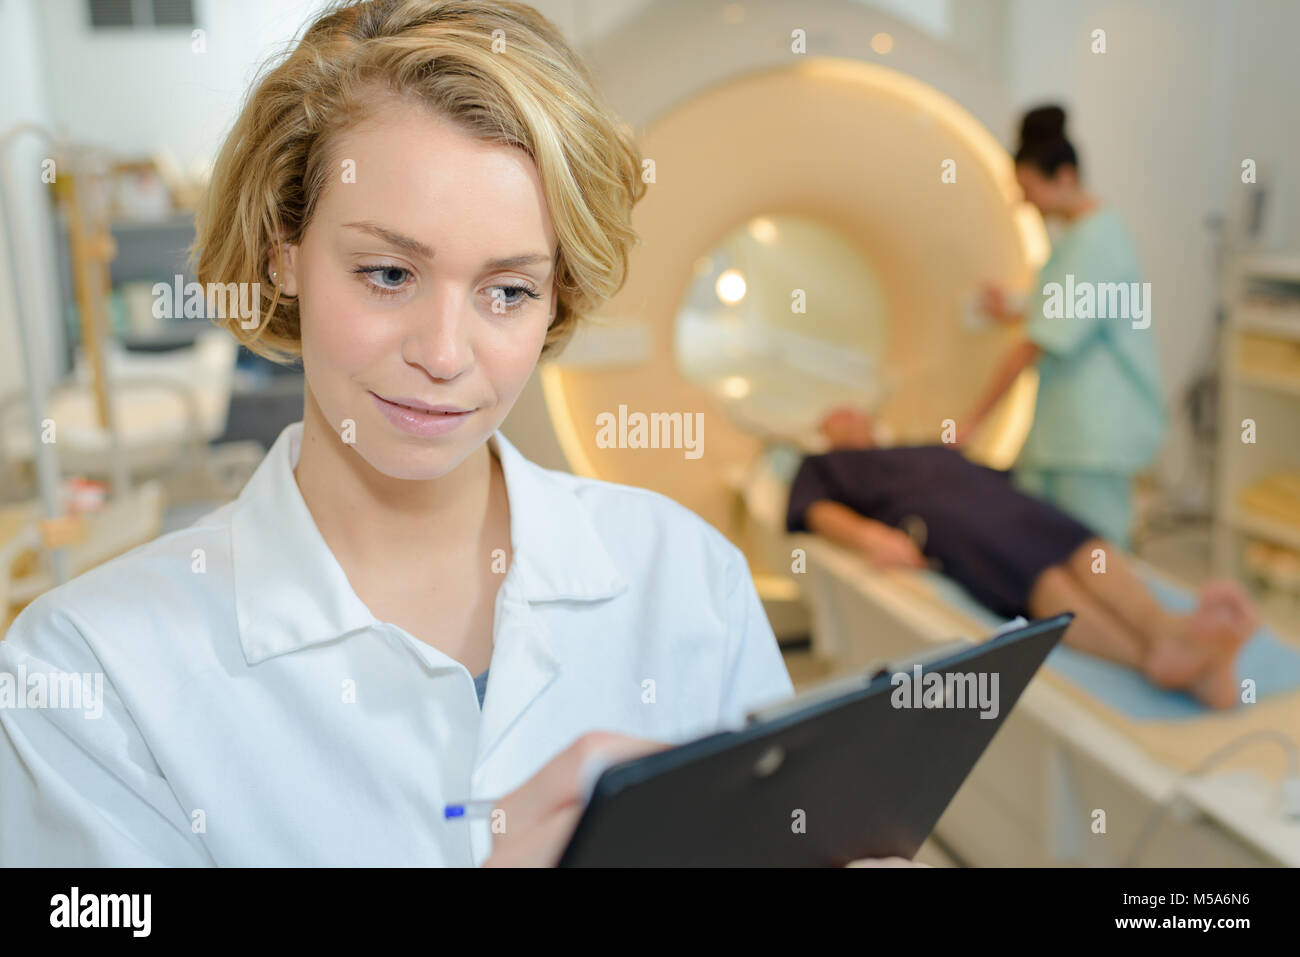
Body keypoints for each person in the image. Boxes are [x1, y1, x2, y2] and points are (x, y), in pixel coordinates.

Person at [0, 0, 795, 867]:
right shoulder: (87, 672)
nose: (446, 354)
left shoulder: (690, 581)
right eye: (387, 273)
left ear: (556, 296)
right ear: (283, 253)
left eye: (508, 290)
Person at [791, 408, 1255, 710]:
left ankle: (1169, 629)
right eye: (836, 415)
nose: (850, 417)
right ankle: (1149, 658)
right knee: (1046, 577)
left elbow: (993, 469)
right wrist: (872, 537)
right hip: (945, 518)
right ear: (822, 431)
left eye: (856, 411)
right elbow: (815, 510)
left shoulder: (926, 444)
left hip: (1001, 499)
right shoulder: (822, 466)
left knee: (1084, 547)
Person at [961, 105, 1166, 548]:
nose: (1022, 201)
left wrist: (971, 422)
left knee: (1096, 559)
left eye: (1028, 188)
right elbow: (1067, 307)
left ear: (1065, 176)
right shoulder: (1083, 236)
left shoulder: (1094, 243)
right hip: (1068, 433)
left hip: (1092, 436)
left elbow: (1036, 343)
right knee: (1050, 551)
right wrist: (1014, 306)